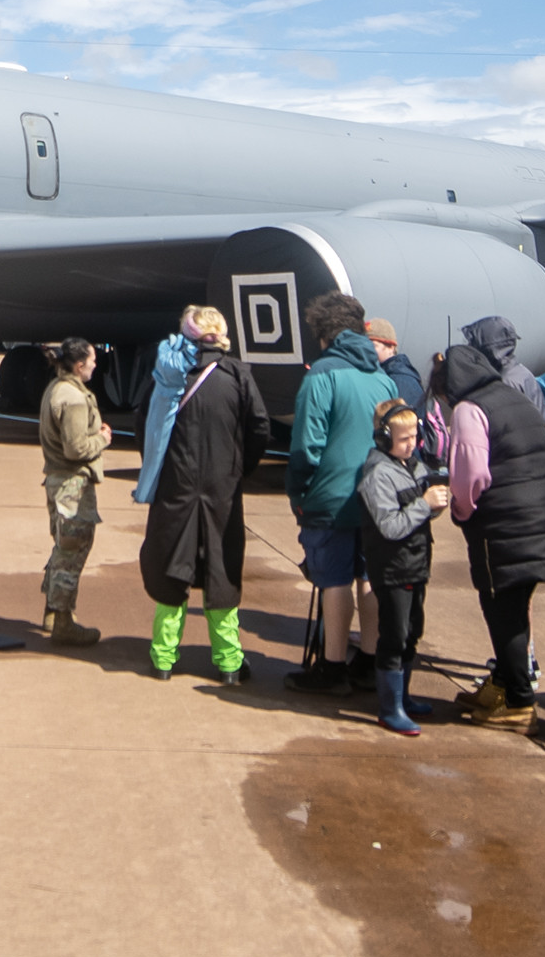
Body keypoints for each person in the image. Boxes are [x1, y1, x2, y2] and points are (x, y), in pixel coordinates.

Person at [443, 315, 545, 731]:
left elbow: (470, 476)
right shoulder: (514, 392)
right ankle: (501, 683)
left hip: (505, 526)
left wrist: (461, 510)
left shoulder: (470, 409)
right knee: (515, 606)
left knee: (502, 611)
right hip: (543, 515)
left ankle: (519, 700)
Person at [134, 306, 270, 683]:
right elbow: (259, 426)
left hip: (174, 488)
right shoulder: (236, 374)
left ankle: (163, 658)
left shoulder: (168, 374)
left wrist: (161, 468)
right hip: (221, 490)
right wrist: (239, 468)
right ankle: (229, 663)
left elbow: (146, 426)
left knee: (170, 569)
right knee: (221, 571)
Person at [285, 292, 398, 694]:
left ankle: (332, 669)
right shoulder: (382, 377)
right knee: (367, 578)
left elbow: (307, 445)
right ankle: (368, 661)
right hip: (376, 497)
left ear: (324, 333)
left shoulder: (321, 374)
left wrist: (298, 492)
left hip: (331, 497)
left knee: (333, 580)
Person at [356, 399, 448, 735]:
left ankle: (403, 697)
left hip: (416, 563)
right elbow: (391, 526)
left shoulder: (413, 465)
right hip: (393, 567)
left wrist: (435, 504)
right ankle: (389, 708)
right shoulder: (378, 474)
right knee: (394, 636)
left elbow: (418, 512)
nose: (412, 445)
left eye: (414, 437)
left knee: (411, 632)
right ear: (384, 439)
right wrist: (424, 505)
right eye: (403, 439)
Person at [35, 338, 107, 645]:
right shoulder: (73, 398)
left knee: (63, 548)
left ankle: (53, 611)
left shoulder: (56, 388)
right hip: (72, 485)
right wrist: (102, 439)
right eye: (92, 360)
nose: (95, 365)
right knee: (73, 551)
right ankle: (63, 621)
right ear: (79, 365)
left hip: (58, 480)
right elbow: (76, 448)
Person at [367, 317, 425, 409]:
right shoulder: (382, 375)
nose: (367, 350)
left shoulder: (402, 381)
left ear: (391, 347)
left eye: (373, 346)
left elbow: (403, 417)